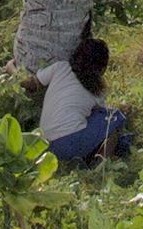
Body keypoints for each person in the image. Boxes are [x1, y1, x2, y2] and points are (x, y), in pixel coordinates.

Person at [28, 31, 134, 168]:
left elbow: (32, 84)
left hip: (46, 147)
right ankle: (99, 166)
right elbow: (105, 119)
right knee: (115, 119)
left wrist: (11, 69)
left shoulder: (60, 68)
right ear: (101, 68)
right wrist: (123, 109)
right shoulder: (95, 89)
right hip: (70, 143)